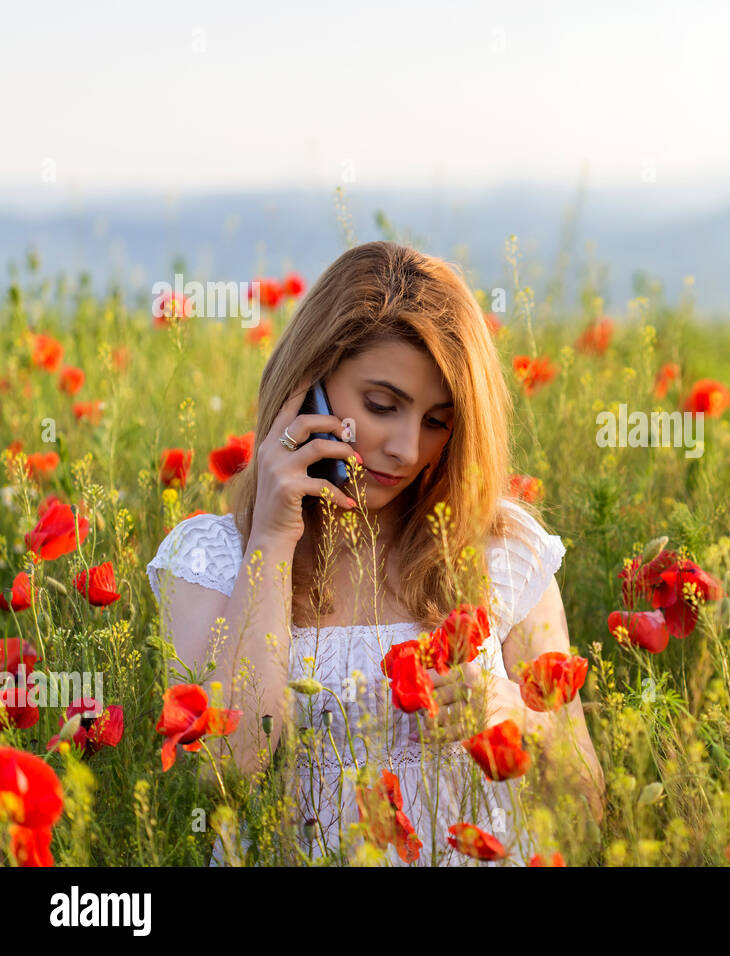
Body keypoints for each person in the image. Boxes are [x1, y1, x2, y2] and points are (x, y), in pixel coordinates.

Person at [145, 241, 603, 865]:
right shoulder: (211, 560)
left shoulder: (504, 552)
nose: (407, 450)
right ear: (306, 390)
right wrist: (273, 543)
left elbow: (586, 806)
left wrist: (513, 715)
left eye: (439, 421)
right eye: (382, 406)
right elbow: (228, 768)